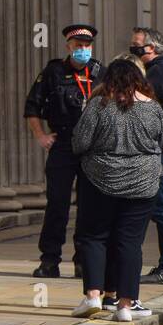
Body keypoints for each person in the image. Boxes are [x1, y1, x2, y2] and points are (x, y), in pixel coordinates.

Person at [69, 58, 163, 321]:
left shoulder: (98, 105)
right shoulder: (153, 107)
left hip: (100, 180)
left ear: (109, 81)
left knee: (94, 237)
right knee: (130, 243)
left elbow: (79, 143)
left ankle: (93, 296)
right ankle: (125, 306)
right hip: (142, 183)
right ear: (139, 80)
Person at [24, 23, 104, 279]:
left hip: (92, 148)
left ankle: (83, 260)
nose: (84, 50)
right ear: (69, 47)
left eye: (87, 46)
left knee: (89, 206)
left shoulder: (100, 72)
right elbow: (32, 107)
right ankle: (49, 260)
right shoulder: (54, 72)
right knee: (57, 205)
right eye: (79, 46)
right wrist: (41, 135)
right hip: (63, 144)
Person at [130, 27, 163, 285]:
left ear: (152, 48)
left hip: (160, 150)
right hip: (155, 148)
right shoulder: (153, 69)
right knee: (152, 208)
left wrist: (159, 134)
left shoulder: (161, 68)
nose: (133, 48)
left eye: (137, 45)